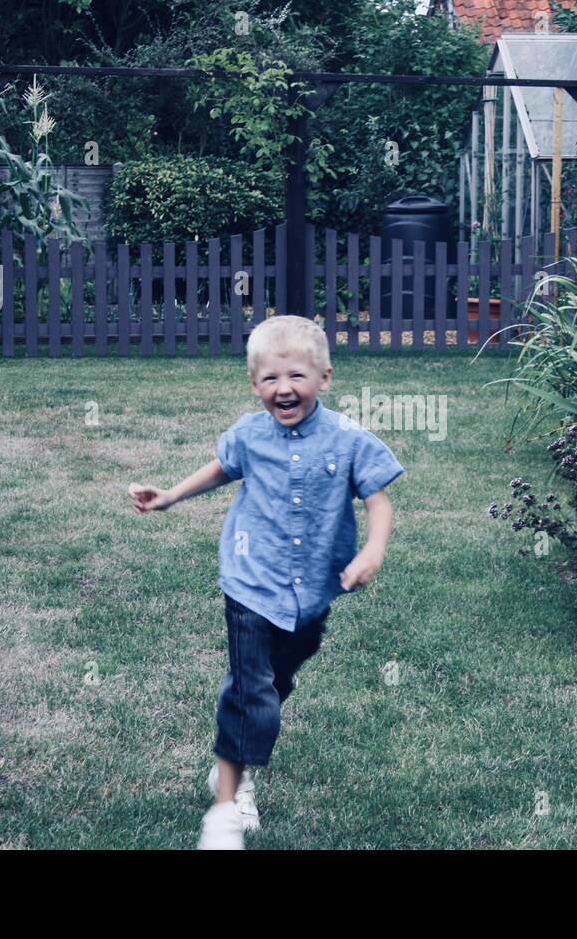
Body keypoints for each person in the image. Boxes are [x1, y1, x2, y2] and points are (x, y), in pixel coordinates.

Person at [128, 315, 403, 849]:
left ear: (325, 377)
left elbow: (378, 497)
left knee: (276, 684)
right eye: (270, 379)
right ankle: (227, 806)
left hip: (313, 593)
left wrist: (374, 548)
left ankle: (235, 758)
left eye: (297, 376)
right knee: (251, 691)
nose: (284, 388)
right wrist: (169, 497)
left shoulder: (348, 439)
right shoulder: (248, 436)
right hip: (251, 583)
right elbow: (220, 469)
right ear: (255, 385)